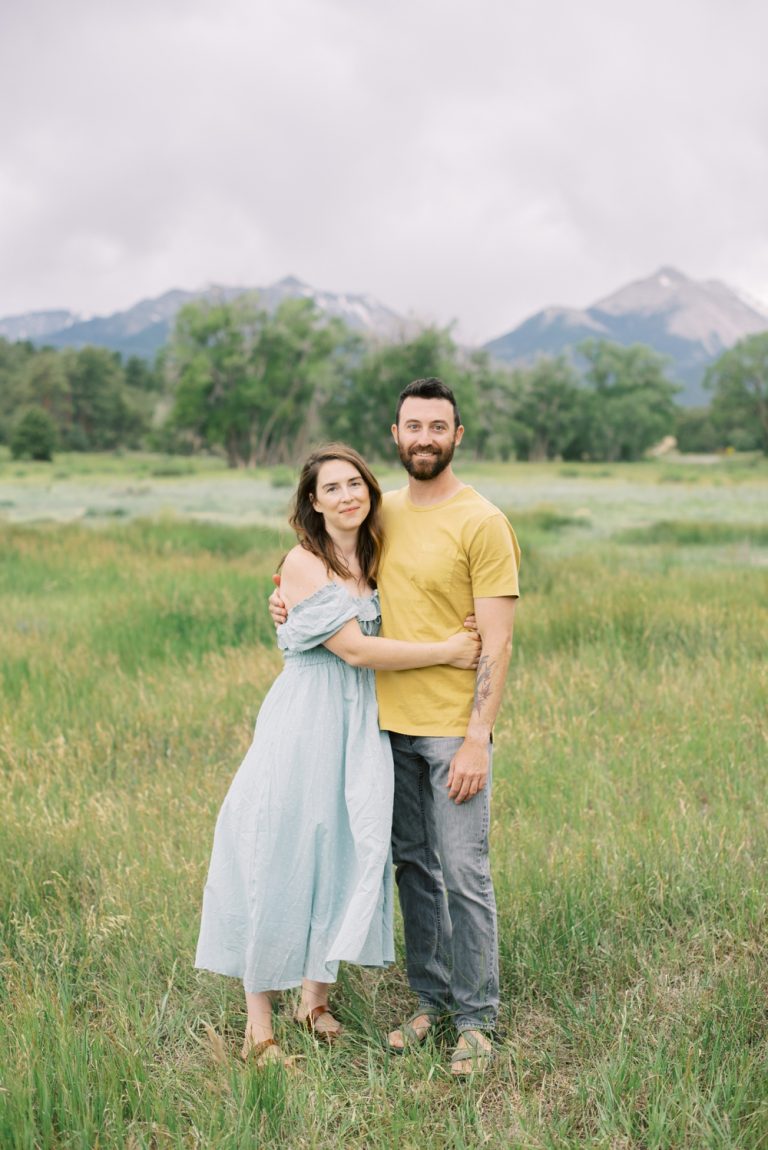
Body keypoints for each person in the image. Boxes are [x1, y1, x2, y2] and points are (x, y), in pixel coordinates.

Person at [195, 443, 481, 1068]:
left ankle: (314, 998)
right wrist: (449, 650)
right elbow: (352, 650)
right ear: (313, 502)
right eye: (332, 488)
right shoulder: (302, 563)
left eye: (356, 483)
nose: (348, 495)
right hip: (307, 720)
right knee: (283, 848)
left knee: (350, 848)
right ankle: (258, 1026)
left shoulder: (377, 557)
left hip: (363, 721)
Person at [270, 378, 520, 1076]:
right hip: (385, 728)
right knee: (412, 868)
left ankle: (476, 1020)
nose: (425, 438)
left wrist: (477, 737)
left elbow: (496, 643)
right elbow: (331, 570)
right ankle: (430, 1003)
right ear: (396, 434)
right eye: (414, 426)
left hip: (450, 731)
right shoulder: (383, 515)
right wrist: (284, 603)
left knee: (465, 874)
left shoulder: (484, 522)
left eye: (438, 427)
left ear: (457, 436)